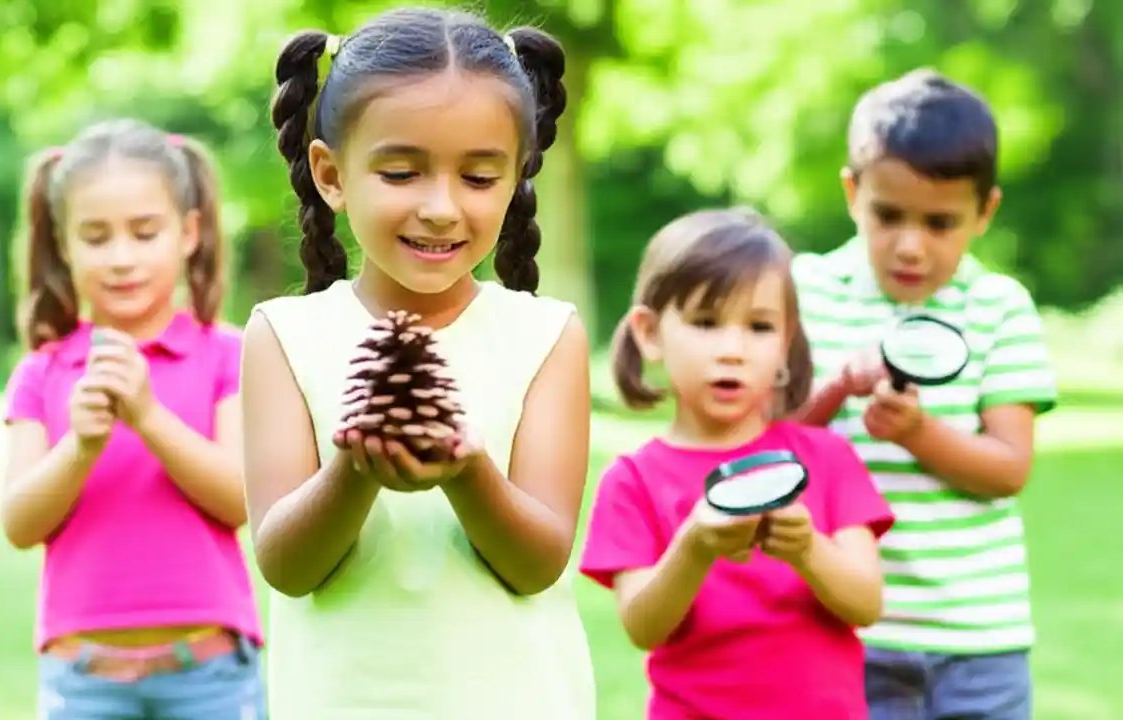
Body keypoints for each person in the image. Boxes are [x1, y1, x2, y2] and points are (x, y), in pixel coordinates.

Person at [242, 7, 595, 719]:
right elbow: (285, 566)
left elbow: (539, 563)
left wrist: (468, 473)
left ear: (517, 176)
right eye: (402, 172)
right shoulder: (282, 334)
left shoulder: (548, 334)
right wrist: (353, 470)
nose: (441, 207)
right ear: (331, 174)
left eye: (479, 177)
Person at [792, 69, 1059, 720]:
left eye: (941, 223)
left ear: (984, 211)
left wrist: (917, 431)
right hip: (844, 631)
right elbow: (773, 444)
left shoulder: (1000, 307)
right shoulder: (802, 289)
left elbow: (1007, 467)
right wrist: (832, 391)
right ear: (853, 193)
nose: (911, 245)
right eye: (888, 215)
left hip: (976, 645)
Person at [579, 208, 895, 720]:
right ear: (650, 333)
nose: (733, 350)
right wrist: (693, 547)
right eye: (706, 323)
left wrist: (808, 549)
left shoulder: (827, 457)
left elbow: (866, 602)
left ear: (787, 340)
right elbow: (642, 627)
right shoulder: (632, 481)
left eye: (759, 327)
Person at [1, 118, 265, 720]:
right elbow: (19, 522)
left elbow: (242, 501)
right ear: (64, 246)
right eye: (96, 237)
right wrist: (81, 446)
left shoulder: (227, 356)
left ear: (189, 232)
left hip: (211, 673)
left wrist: (147, 416)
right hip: (83, 679)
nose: (121, 258)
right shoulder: (43, 373)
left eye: (145, 233)